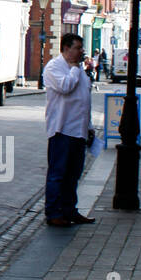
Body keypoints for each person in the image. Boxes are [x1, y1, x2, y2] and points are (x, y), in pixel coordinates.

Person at [43, 33, 96, 226]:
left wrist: (89, 126)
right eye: (78, 47)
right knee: (58, 173)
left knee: (73, 173)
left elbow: (84, 98)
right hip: (62, 129)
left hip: (78, 129)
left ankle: (69, 209)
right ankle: (54, 212)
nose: (81, 51)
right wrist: (74, 69)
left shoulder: (80, 70)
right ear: (66, 48)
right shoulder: (54, 67)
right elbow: (65, 87)